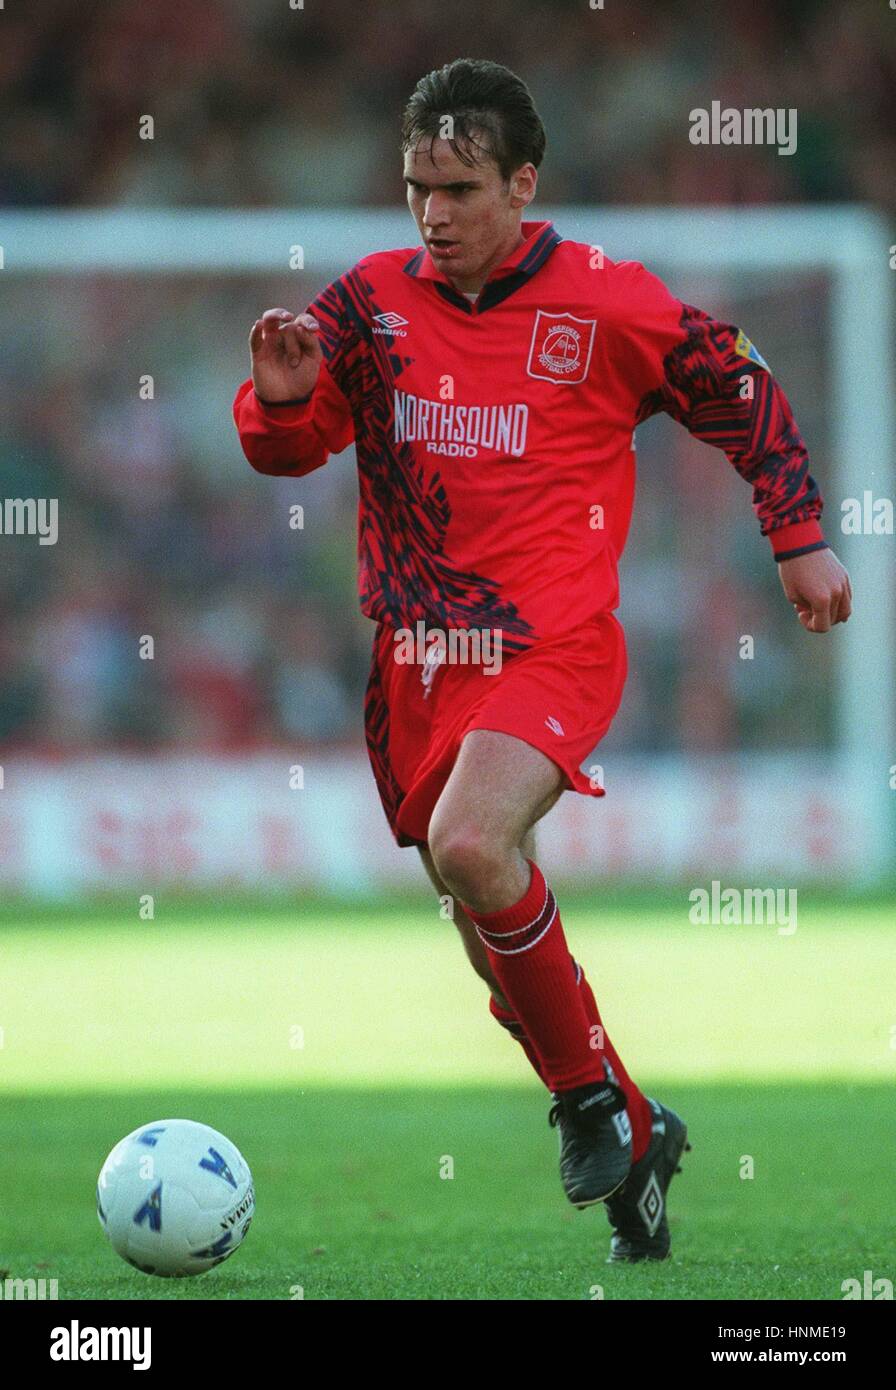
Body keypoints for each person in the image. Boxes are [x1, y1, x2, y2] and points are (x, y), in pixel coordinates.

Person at [233, 58, 851, 1262]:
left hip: (550, 644)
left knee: (474, 844)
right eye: (416, 187)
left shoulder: (605, 304)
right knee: (484, 919)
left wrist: (798, 537)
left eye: (458, 187)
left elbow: (743, 389)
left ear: (523, 182)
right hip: (417, 660)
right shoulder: (365, 304)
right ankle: (629, 1131)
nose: (432, 213)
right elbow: (294, 450)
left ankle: (579, 1103)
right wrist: (277, 405)